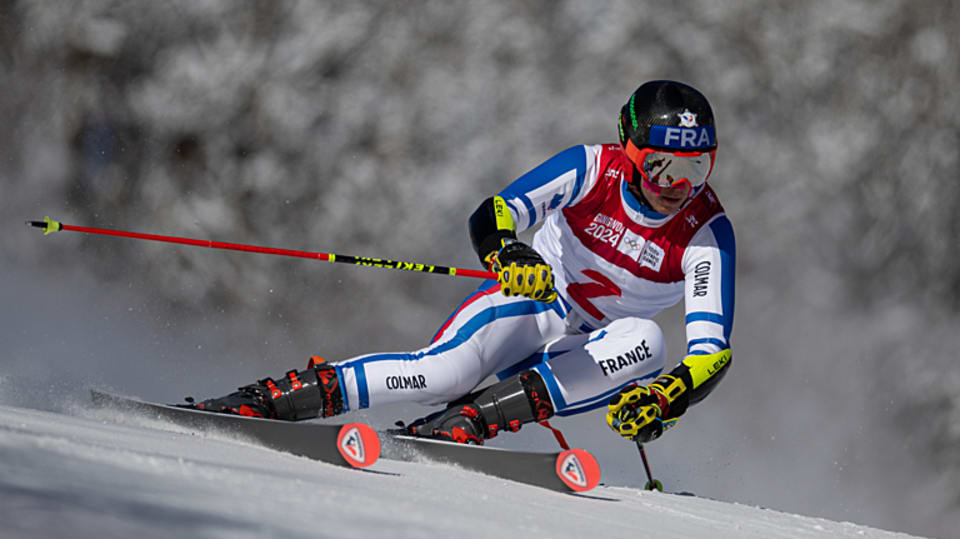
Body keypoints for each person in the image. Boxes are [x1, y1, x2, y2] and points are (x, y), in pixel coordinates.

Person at [193, 80, 735, 447]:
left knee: (650, 342)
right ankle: (268, 400)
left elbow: (710, 353)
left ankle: (467, 423)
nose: (680, 186)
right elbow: (497, 212)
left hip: (590, 354)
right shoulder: (592, 168)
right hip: (533, 303)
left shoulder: (706, 232)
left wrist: (667, 398)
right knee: (442, 372)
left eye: (698, 166)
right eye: (663, 166)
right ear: (631, 151)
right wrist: (508, 252)